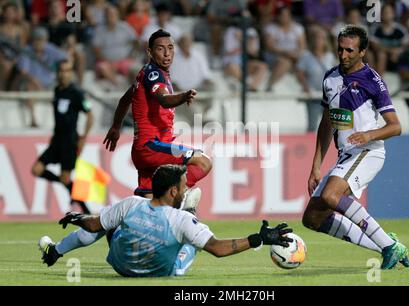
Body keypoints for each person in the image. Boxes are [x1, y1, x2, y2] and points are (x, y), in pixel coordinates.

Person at [39, 164, 293, 276]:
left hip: (120, 265)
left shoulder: (132, 203)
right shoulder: (180, 220)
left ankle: (55, 251)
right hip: (157, 272)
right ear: (173, 192)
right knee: (192, 239)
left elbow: (93, 224)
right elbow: (218, 249)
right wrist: (259, 238)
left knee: (106, 220)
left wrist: (77, 216)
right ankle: (192, 217)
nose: (184, 188)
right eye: (183, 187)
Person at [301, 25, 409, 270]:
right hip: (346, 157)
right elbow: (326, 122)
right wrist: (316, 165)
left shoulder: (373, 81)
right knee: (312, 218)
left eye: (349, 50)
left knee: (331, 196)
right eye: (340, 49)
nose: (343, 55)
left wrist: (368, 134)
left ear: (363, 51)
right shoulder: (330, 77)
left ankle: (388, 246)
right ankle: (386, 243)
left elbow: (395, 126)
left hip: (368, 152)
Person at [103, 29, 212, 204]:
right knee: (203, 162)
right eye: (161, 49)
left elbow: (125, 100)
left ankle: (106, 228)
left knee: (147, 207)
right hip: (151, 146)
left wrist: (116, 127)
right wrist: (183, 96)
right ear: (150, 52)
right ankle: (179, 197)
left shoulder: (146, 73)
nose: (167, 53)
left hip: (145, 150)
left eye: (170, 48)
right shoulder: (154, 74)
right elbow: (164, 100)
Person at [31, 59, 93, 214]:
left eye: (67, 70)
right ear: (57, 73)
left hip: (70, 141)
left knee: (65, 178)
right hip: (56, 139)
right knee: (36, 169)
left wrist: (83, 138)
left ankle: (85, 210)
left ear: (71, 73)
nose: (63, 74)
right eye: (61, 70)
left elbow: (90, 115)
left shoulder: (77, 93)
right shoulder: (57, 90)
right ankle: (72, 192)